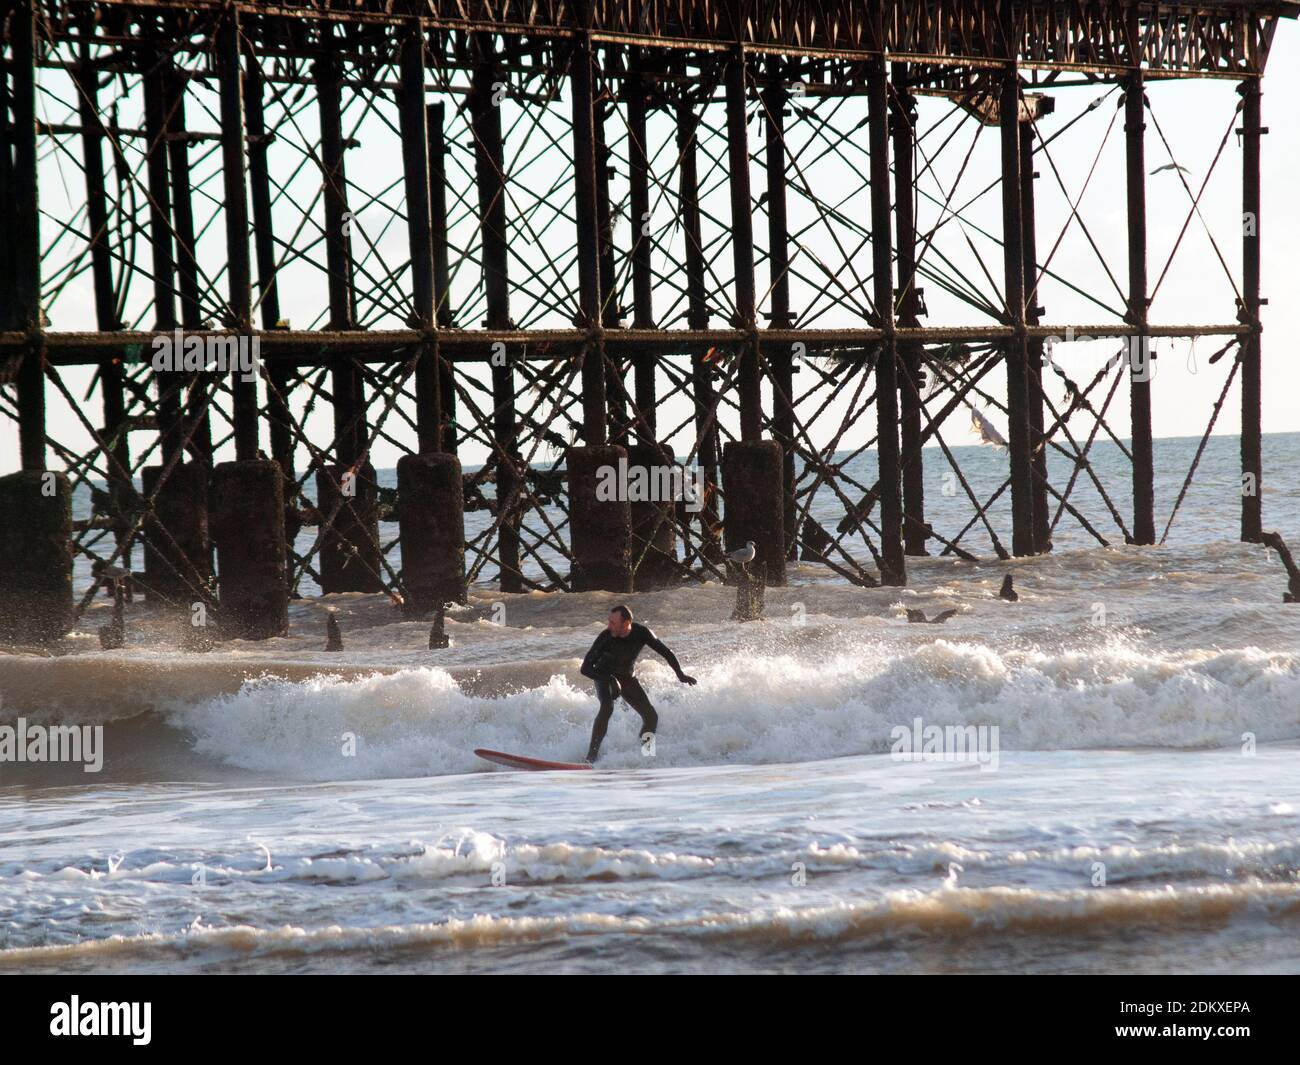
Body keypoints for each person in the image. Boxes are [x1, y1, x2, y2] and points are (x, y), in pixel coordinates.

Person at [580, 604, 695, 763]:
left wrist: (680, 675)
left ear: (626, 623)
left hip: (626, 677)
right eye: (609, 622)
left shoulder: (642, 633)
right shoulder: (605, 637)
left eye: (613, 623)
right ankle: (591, 758)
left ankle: (647, 756)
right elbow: (585, 668)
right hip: (603, 675)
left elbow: (666, 652)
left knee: (651, 717)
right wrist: (610, 679)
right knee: (607, 707)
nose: (609, 626)